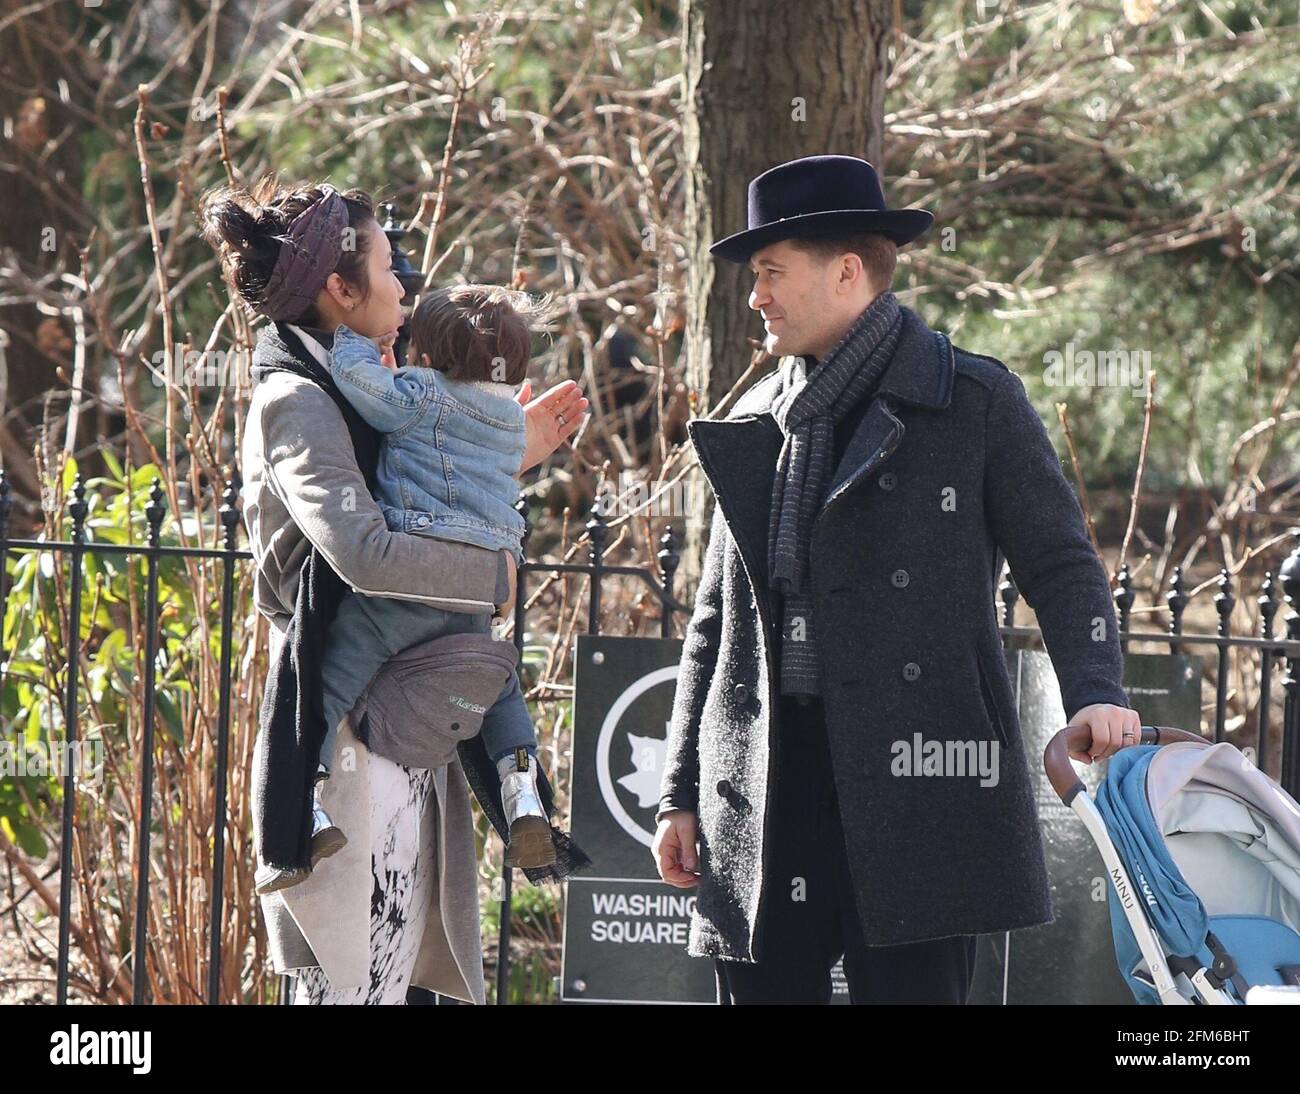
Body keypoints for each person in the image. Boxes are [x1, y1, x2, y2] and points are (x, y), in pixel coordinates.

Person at [652, 155, 1143, 1004]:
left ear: (846, 273)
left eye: (770, 272)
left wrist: (1095, 689)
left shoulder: (974, 401)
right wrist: (679, 792)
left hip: (919, 777)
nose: (753, 295)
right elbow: (715, 623)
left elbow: (1061, 563)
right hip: (766, 785)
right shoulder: (750, 420)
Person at [200, 176, 588, 1002]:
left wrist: (494, 460)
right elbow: (365, 551)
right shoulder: (297, 398)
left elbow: (404, 498)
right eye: (387, 264)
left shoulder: (354, 386)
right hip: (340, 734)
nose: (406, 282)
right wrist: (493, 571)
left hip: (400, 720)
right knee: (345, 984)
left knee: (390, 978)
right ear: (340, 291)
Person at [257, 284, 561, 894]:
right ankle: (522, 791)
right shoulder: (508, 418)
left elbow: (367, 391)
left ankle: (307, 805)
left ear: (427, 355)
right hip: (476, 592)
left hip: (410, 586)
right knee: (500, 687)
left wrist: (355, 345)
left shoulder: (420, 395)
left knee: (326, 683)